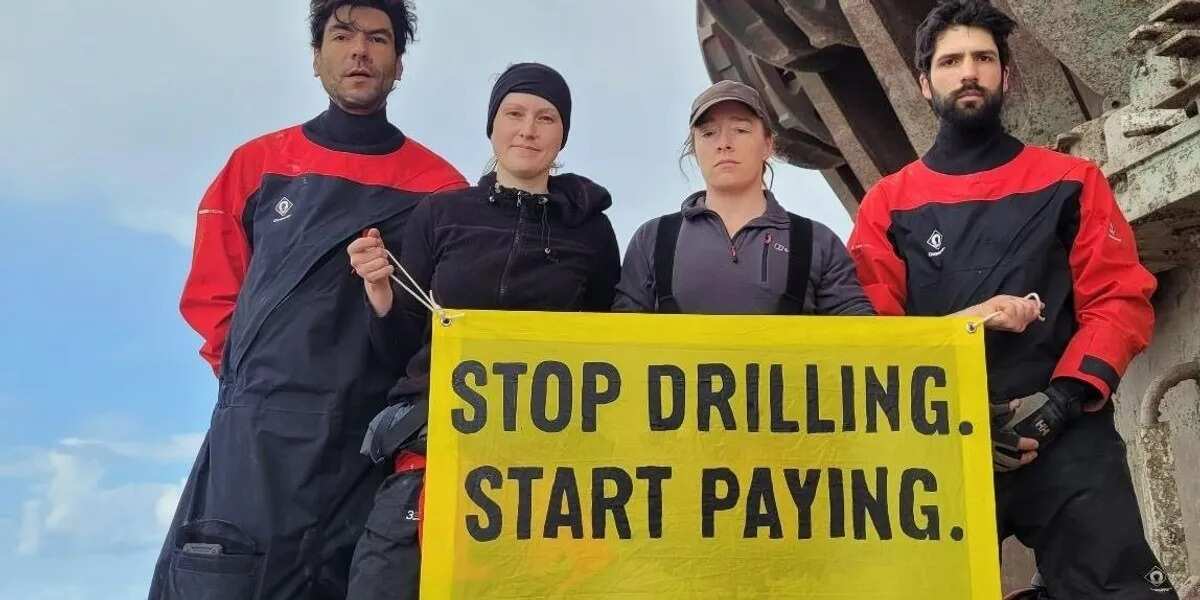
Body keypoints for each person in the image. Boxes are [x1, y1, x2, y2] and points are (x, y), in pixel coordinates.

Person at [847, 1, 1171, 597]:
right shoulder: (886, 205)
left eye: (984, 58)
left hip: (1066, 430)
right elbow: (874, 333)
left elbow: (1118, 298)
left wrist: (1059, 404)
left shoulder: (1072, 181)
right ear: (924, 83)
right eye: (950, 61)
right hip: (938, 443)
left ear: (1006, 74)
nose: (968, 72)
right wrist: (959, 417)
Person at [149, 2, 466, 598]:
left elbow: (449, 324)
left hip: (375, 441)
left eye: (379, 39)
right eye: (342, 36)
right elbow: (213, 293)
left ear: (400, 64)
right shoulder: (254, 167)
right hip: (257, 437)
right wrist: (252, 394)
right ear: (316, 56)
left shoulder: (442, 190)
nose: (360, 51)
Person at [344, 62, 621, 598]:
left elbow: (609, 344)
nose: (528, 129)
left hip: (545, 461)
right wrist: (379, 291)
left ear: (562, 136)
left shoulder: (591, 231)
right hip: (436, 447)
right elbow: (401, 345)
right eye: (514, 114)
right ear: (492, 125)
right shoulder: (440, 214)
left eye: (545, 118)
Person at [614, 80, 873, 317]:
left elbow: (862, 336)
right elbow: (621, 337)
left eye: (740, 129)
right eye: (708, 133)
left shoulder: (818, 242)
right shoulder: (652, 239)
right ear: (694, 150)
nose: (724, 143)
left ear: (768, 145)